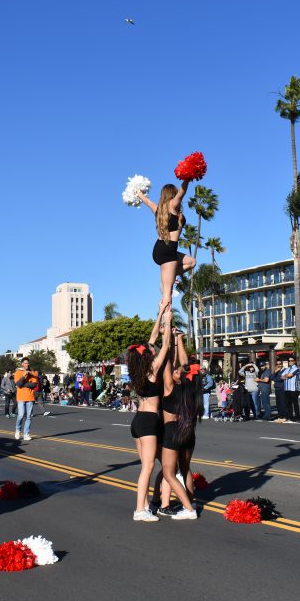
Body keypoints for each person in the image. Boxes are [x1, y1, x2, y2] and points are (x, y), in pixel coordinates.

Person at [126, 302, 172, 522]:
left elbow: (152, 340)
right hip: (148, 421)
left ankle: (144, 504)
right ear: (149, 356)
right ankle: (139, 510)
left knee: (146, 465)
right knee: (148, 466)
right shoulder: (153, 370)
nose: (151, 347)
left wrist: (161, 312)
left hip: (138, 421)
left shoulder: (139, 370)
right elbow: (165, 346)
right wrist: (169, 324)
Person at [156, 326, 199, 520]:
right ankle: (191, 499)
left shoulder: (170, 387)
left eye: (176, 372)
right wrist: (178, 339)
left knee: (169, 473)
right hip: (189, 431)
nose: (174, 370)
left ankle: (189, 508)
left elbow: (166, 361)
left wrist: (168, 338)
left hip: (172, 431)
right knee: (185, 469)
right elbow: (185, 365)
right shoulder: (190, 388)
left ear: (178, 378)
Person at [138, 181, 197, 308]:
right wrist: (186, 179)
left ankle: (168, 277)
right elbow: (182, 192)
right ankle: (165, 325)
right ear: (172, 194)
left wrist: (139, 193)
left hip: (159, 249)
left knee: (191, 262)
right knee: (167, 294)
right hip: (168, 249)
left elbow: (147, 202)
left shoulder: (158, 209)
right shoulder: (173, 205)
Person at [14, 358, 38, 441]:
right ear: (22, 364)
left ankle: (26, 434)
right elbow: (18, 384)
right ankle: (17, 430)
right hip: (21, 397)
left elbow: (34, 385)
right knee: (20, 415)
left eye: (28, 363)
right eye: (25, 363)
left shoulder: (32, 374)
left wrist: (24, 384)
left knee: (29, 417)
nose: (27, 364)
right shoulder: (18, 373)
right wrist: (24, 376)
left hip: (30, 397)